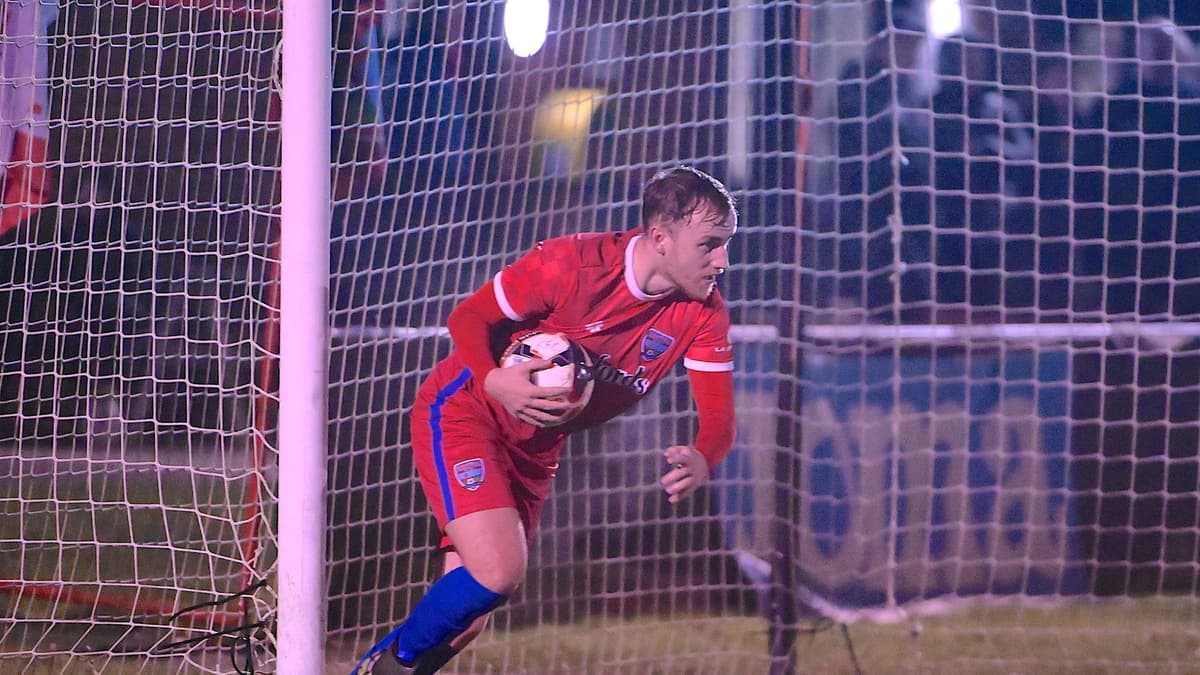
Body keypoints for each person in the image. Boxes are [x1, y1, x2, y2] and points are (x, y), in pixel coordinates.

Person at [353, 166, 740, 674]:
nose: (723, 260)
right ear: (661, 238)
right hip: (466, 411)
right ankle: (381, 665)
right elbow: (467, 318)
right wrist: (494, 379)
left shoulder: (703, 313)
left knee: (467, 617)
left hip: (537, 447)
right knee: (498, 572)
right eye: (710, 244)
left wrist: (702, 455)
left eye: (726, 244)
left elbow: (720, 417)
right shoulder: (572, 266)